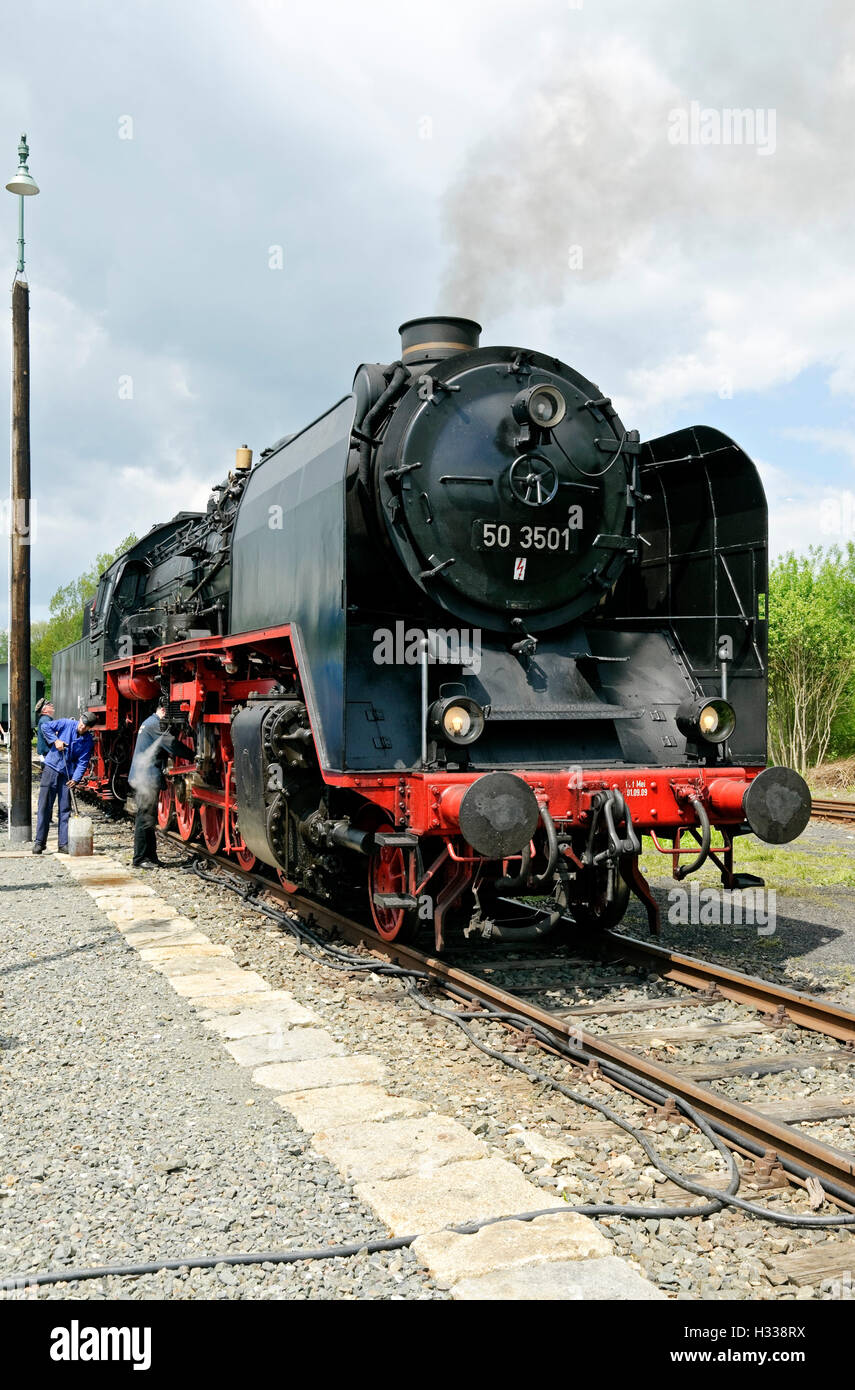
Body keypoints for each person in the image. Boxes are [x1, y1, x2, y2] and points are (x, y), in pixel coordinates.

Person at [128, 701, 193, 869]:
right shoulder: (154, 724)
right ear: (163, 710)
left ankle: (150, 856)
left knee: (149, 818)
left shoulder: (148, 722)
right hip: (145, 778)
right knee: (144, 818)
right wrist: (195, 755)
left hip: (144, 776)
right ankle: (140, 858)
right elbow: (171, 744)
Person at [33, 710, 97, 854]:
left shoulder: (87, 741)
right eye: (82, 724)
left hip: (67, 776)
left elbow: (83, 762)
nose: (82, 727)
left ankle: (63, 844)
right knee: (44, 807)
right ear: (80, 719)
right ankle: (39, 842)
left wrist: (76, 779)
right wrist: (55, 741)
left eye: (85, 727)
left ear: (89, 728)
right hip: (51, 768)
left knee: (65, 810)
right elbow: (45, 727)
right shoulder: (66, 723)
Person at [34, 698, 55, 762]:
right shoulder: (45, 720)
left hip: (47, 755)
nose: (52, 705)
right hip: (47, 755)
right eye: (49, 704)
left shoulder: (46, 719)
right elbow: (50, 736)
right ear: (44, 710)